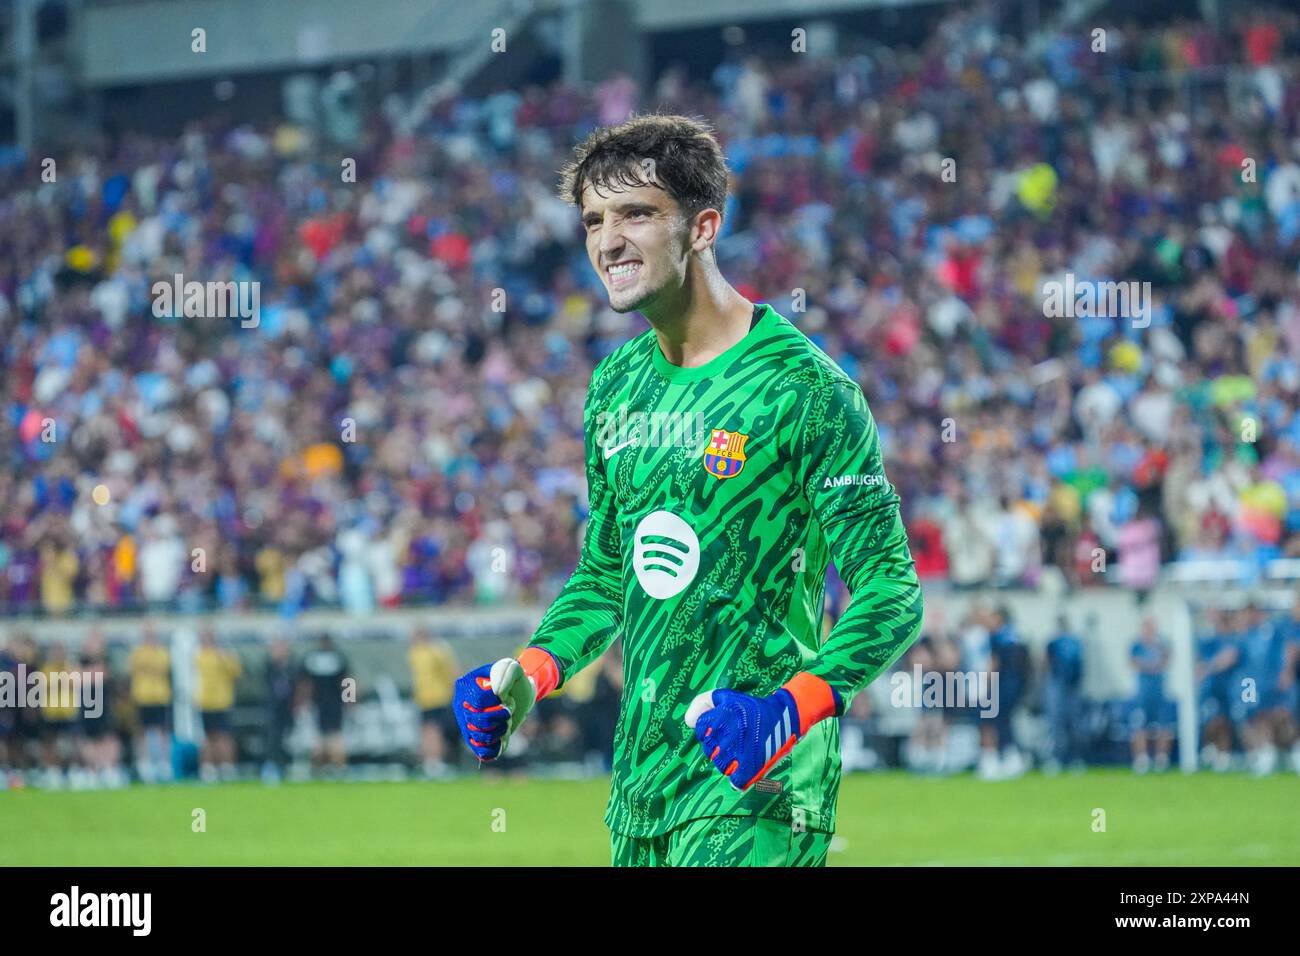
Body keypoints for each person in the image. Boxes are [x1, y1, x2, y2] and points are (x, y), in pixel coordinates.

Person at [452, 115, 923, 867]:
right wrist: (530, 675)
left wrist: (786, 712)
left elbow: (891, 592)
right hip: (642, 786)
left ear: (703, 226)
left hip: (757, 789)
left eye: (636, 213)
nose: (608, 240)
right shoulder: (616, 385)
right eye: (594, 220)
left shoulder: (804, 390)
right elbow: (608, 575)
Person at [407, 627, 457, 777]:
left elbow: (451, 672)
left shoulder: (436, 652)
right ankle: (431, 762)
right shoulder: (416, 653)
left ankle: (435, 762)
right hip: (424, 698)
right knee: (429, 731)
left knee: (434, 731)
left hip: (438, 697)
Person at [195, 629, 242, 782]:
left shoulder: (224, 655)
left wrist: (223, 656)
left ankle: (227, 767)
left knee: (224, 736)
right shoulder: (198, 655)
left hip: (222, 701)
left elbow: (236, 673)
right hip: (205, 702)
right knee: (208, 737)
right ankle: (208, 768)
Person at [128, 622, 172, 783]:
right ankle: (145, 764)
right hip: (143, 696)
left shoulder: (162, 652)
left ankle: (163, 764)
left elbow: (162, 668)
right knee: (142, 732)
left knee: (163, 731)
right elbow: (135, 667)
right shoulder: (138, 652)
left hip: (160, 696)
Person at [1129, 616, 1174, 773]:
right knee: (1139, 725)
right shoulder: (1136, 645)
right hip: (1143, 692)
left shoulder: (1162, 643)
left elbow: (1167, 659)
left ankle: (1161, 759)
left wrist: (1155, 662)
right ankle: (1142, 759)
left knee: (1164, 725)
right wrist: (1150, 665)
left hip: (1160, 691)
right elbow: (1134, 662)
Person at [302, 633, 349, 777]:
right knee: (325, 736)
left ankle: (330, 766)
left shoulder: (312, 658)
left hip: (329, 702)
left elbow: (305, 683)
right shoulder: (337, 657)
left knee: (329, 736)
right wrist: (350, 699)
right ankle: (330, 766)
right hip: (325, 703)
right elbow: (348, 680)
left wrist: (350, 700)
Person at [1044, 614, 1086, 772]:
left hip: (1071, 686)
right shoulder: (1054, 642)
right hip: (1058, 684)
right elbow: (1048, 662)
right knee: (1057, 724)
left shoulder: (1075, 642)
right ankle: (1057, 758)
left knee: (1073, 724)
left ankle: (1075, 758)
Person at [262, 637, 297, 783]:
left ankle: (289, 767)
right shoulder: (270, 667)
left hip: (291, 709)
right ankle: (273, 768)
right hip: (274, 709)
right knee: (273, 739)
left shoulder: (293, 667)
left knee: (290, 740)